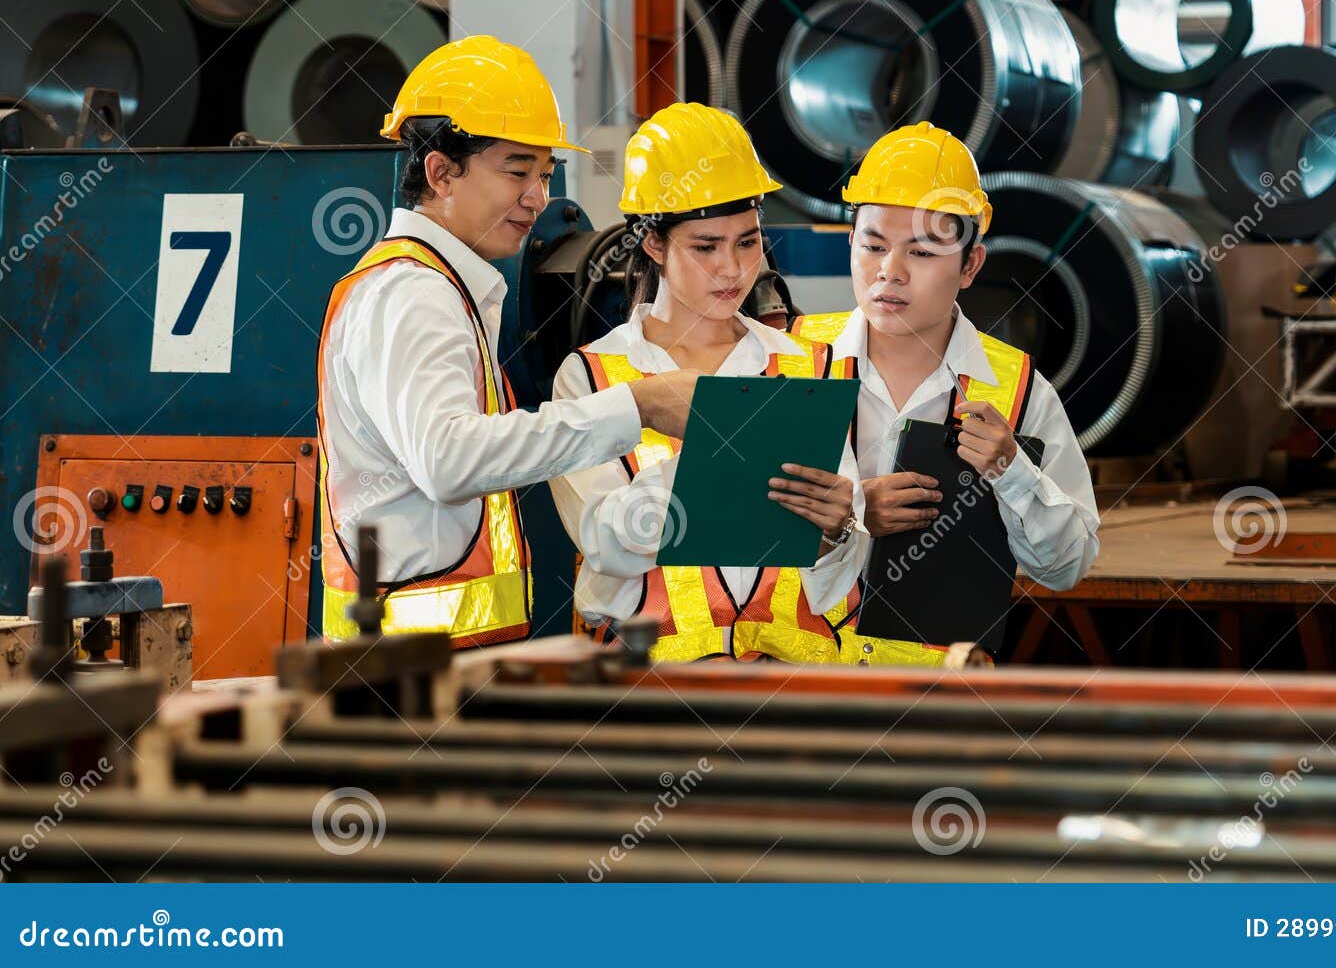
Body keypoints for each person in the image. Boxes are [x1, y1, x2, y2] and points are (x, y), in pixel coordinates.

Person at [316, 35, 698, 647]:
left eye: (545, 174)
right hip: (413, 672)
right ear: (440, 172)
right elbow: (450, 461)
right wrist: (640, 404)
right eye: (517, 170)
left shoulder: (446, 288)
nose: (538, 198)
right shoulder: (413, 293)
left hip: (436, 662)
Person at [550, 102, 863, 662]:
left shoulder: (806, 365)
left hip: (790, 691)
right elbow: (604, 544)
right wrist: (716, 456)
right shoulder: (592, 379)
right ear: (652, 243)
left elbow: (837, 571)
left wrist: (838, 530)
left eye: (747, 241)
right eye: (705, 246)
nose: (732, 269)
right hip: (653, 696)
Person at [791, 121, 1100, 665]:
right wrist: (856, 512)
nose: (890, 272)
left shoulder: (1018, 390)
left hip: (935, 703)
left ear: (970, 266)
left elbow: (1067, 566)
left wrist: (1013, 471)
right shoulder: (784, 361)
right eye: (873, 245)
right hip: (791, 697)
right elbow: (728, 545)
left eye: (923, 253)